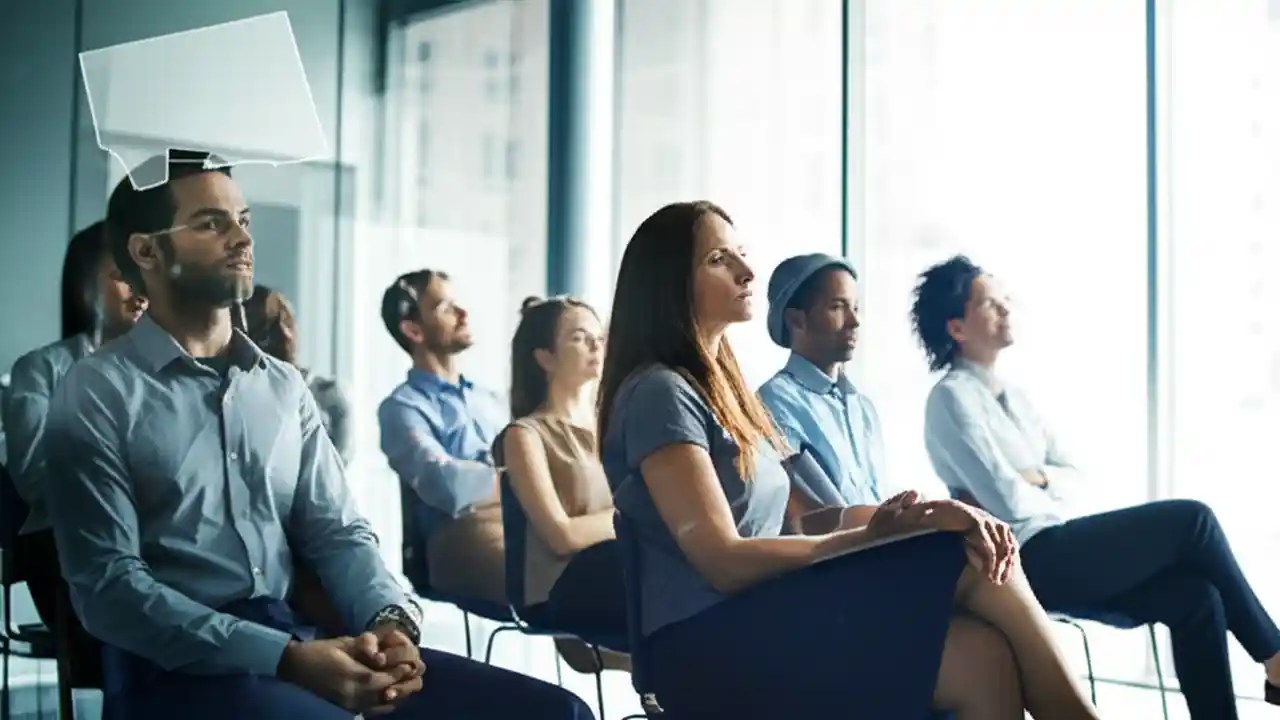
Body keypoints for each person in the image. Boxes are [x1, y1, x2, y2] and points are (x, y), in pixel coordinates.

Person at [44, 151, 594, 720]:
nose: (241, 238)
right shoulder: (94, 393)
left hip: (303, 641)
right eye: (212, 223)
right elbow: (110, 589)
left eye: (244, 221)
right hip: (177, 675)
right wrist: (284, 658)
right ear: (146, 251)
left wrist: (389, 621)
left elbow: (338, 532)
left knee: (557, 712)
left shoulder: (282, 388)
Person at [598, 201, 1100, 720]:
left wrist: (910, 518)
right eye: (719, 260)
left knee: (981, 656)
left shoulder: (730, 395)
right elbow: (722, 559)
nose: (747, 272)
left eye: (742, 255)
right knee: (967, 554)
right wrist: (871, 537)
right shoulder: (661, 392)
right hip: (708, 644)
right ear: (670, 282)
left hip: (760, 615)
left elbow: (803, 518)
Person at [913, 254, 1280, 717]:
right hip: (1025, 561)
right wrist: (1036, 480)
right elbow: (1007, 500)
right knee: (1194, 519)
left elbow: (1075, 478)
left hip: (1062, 544)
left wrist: (1039, 477)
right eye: (989, 304)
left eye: (1004, 299)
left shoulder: (1016, 398)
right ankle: (1275, 656)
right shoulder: (949, 399)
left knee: (1196, 597)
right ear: (957, 329)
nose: (1006, 309)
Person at [4, 220, 146, 627]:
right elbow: (33, 475)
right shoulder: (41, 369)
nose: (140, 292)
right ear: (85, 289)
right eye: (123, 277)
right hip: (64, 549)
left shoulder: (164, 374)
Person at [494, 296, 627, 671]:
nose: (596, 345)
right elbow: (561, 535)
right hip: (560, 589)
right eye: (579, 338)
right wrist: (629, 516)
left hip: (615, 570)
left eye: (598, 336)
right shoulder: (524, 436)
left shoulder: (612, 427)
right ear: (545, 358)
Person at [378, 270, 507, 606]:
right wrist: (524, 481)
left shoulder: (492, 400)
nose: (463, 313)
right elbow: (447, 486)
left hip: (519, 531)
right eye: (446, 307)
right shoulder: (402, 407)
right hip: (459, 543)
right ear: (413, 330)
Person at [758, 254, 886, 523]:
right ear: (796, 320)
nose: (854, 321)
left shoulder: (862, 407)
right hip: (837, 558)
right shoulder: (773, 403)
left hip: (883, 550)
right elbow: (810, 517)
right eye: (837, 307)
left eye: (856, 307)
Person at [242, 284, 351, 463]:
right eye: (270, 329)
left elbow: (337, 468)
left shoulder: (329, 394)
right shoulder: (235, 397)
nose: (286, 335)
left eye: (288, 322)